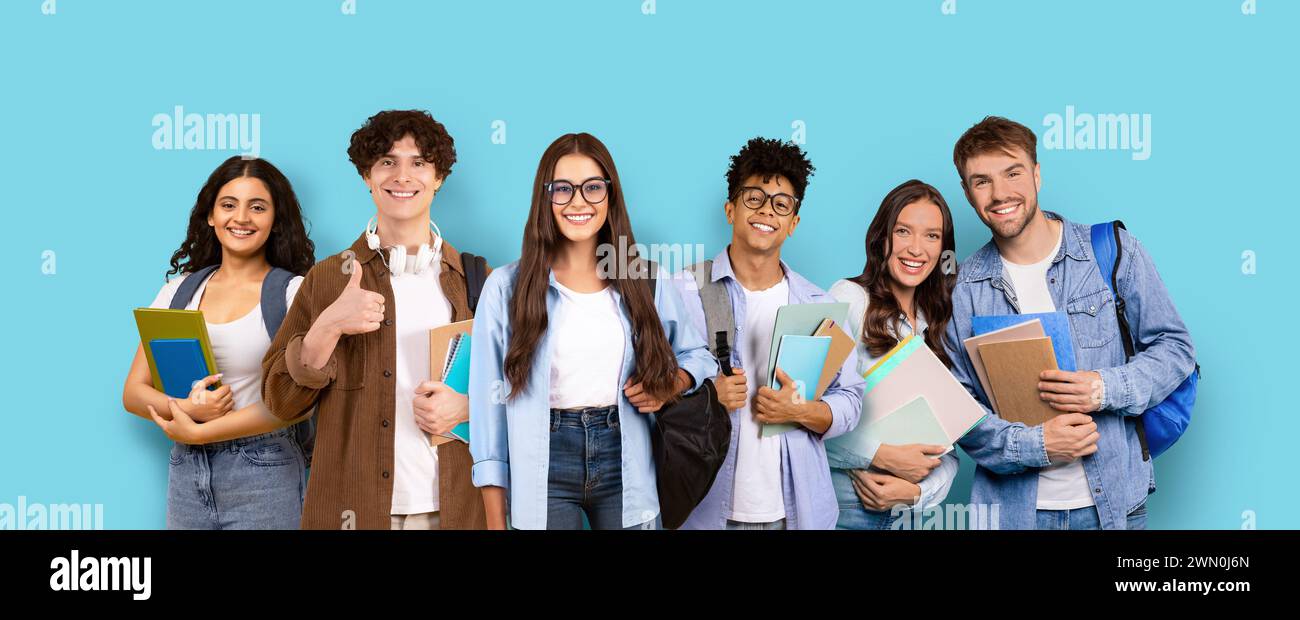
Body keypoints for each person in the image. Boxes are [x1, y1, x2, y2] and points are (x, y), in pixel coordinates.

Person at [945, 116, 1196, 530]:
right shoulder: (963, 289)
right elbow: (960, 410)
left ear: (1037, 174)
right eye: (982, 181)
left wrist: (1103, 388)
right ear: (967, 193)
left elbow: (1175, 348)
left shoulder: (1114, 252)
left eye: (1013, 173)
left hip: (1116, 506)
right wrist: (1038, 446)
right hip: (1013, 516)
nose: (1000, 193)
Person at [469, 132, 716, 530]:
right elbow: (487, 411)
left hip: (628, 455)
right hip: (542, 461)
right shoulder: (506, 287)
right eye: (563, 189)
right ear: (544, 197)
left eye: (593, 187)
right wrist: (497, 523)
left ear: (610, 195)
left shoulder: (646, 279)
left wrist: (673, 382)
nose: (578, 202)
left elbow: (699, 356)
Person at [262, 110, 488, 530]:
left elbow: (520, 391)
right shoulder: (329, 278)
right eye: (387, 161)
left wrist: (468, 407)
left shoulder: (476, 280)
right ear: (367, 175)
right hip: (354, 509)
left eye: (418, 162)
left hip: (456, 509)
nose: (403, 175)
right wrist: (328, 326)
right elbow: (281, 401)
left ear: (438, 178)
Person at [671, 137, 865, 530]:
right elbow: (650, 390)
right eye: (754, 197)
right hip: (703, 509)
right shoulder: (683, 292)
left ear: (793, 223)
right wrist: (706, 396)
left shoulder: (817, 306)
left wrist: (803, 412)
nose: (767, 211)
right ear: (730, 209)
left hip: (795, 512)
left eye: (782, 204)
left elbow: (851, 399)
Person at [122, 155, 317, 529]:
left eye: (257, 207)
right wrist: (187, 408)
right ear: (210, 215)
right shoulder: (178, 292)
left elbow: (299, 405)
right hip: (187, 470)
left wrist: (201, 429)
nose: (241, 218)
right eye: (228, 205)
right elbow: (133, 391)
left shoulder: (294, 294)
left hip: (265, 470)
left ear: (275, 220)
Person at [827, 179, 963, 529]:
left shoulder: (940, 322)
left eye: (932, 236)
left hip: (909, 516)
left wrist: (917, 493)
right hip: (842, 513)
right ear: (881, 238)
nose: (916, 249)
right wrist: (881, 455)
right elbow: (803, 419)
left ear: (944, 249)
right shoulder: (848, 299)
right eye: (904, 231)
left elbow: (950, 446)